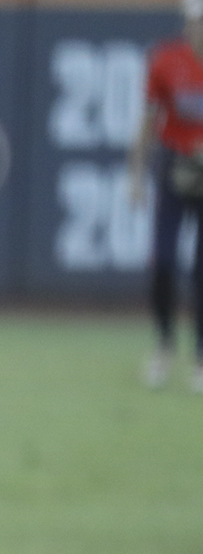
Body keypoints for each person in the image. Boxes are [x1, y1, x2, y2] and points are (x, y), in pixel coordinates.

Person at [131, 0, 203, 392]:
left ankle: (201, 358)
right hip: (175, 165)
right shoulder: (166, 59)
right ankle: (163, 346)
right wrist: (135, 173)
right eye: (196, 22)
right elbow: (148, 118)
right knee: (163, 259)